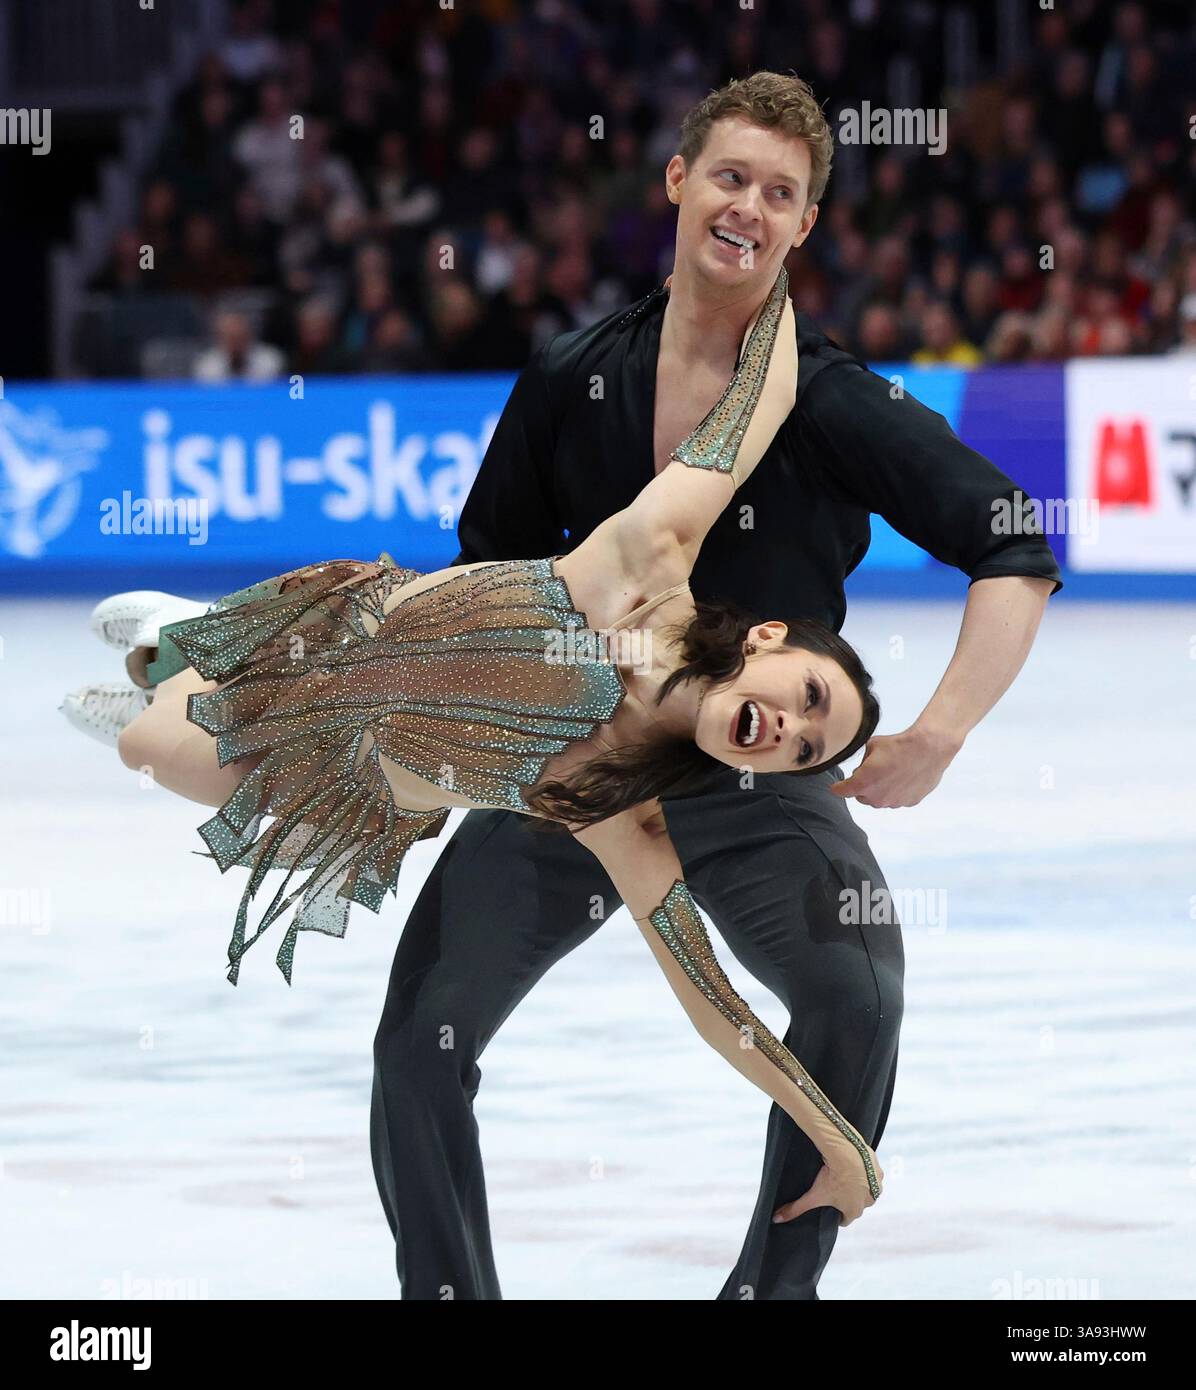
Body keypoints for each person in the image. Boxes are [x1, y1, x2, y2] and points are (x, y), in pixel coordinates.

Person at [65, 71, 1063, 1300]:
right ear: (677, 182)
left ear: (806, 224)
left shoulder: (832, 401)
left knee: (853, 990)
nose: (748, 205)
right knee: (419, 1043)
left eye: (782, 192)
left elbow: (1011, 542)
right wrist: (443, 737)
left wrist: (939, 730)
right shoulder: (572, 377)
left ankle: (770, 1292)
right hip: (560, 756)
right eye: (730, 175)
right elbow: (475, 577)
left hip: (752, 776)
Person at [64, 257, 890, 1256]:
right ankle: (188, 642)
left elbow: (717, 1007)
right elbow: (756, 400)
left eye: (809, 746)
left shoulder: (617, 804)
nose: (790, 730)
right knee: (193, 699)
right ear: (766, 641)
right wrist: (771, 245)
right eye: (807, 697)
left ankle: (168, 680)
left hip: (348, 773)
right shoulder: (645, 562)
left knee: (153, 751)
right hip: (341, 637)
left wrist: (839, 1141)